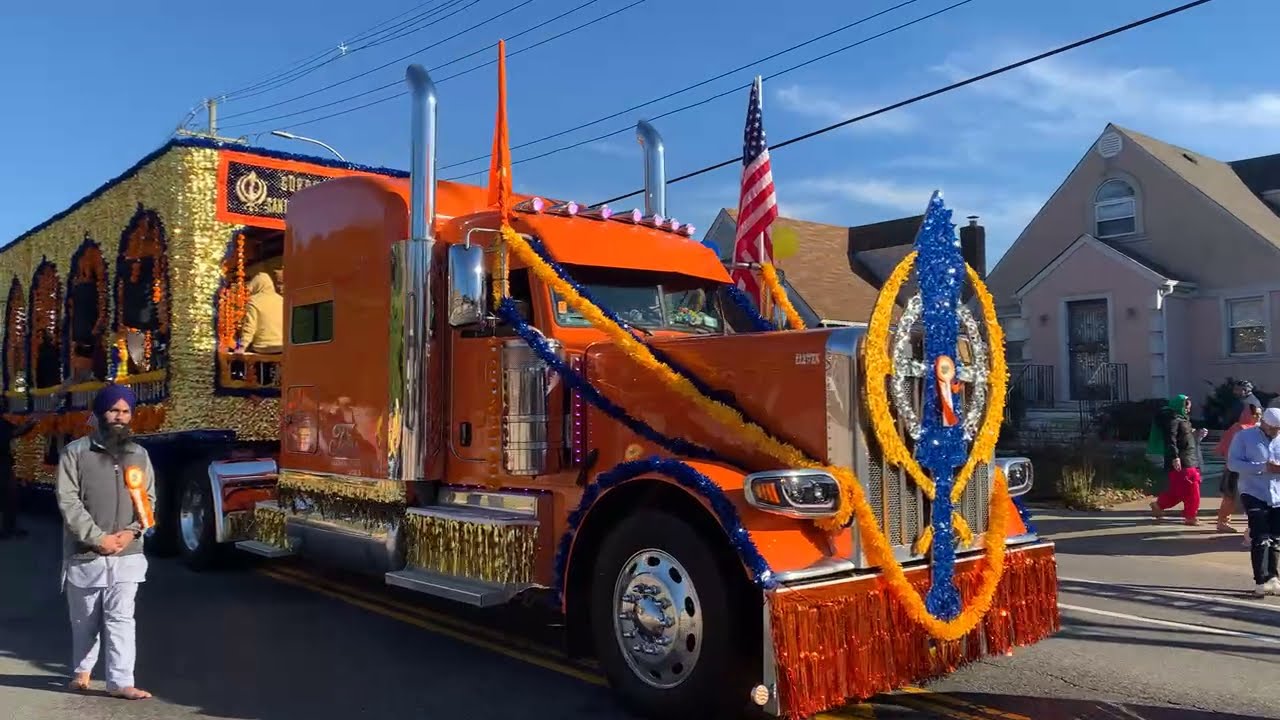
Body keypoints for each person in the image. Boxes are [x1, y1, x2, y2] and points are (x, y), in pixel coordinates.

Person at [55, 384, 155, 699]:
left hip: (128, 553)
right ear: (100, 413)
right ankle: (81, 671)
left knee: (122, 617)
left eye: (125, 412)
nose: (119, 417)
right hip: (86, 555)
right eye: (114, 410)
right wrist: (97, 538)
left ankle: (121, 682)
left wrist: (130, 533)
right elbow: (68, 501)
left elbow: (148, 500)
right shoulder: (75, 452)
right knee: (84, 620)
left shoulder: (139, 454)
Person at [1225, 407, 1280, 597]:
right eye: (1273, 428)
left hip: (1277, 494)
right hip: (1253, 492)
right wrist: (1263, 467)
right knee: (1260, 536)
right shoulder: (1244, 437)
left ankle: (1273, 577)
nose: (1276, 432)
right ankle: (1260, 581)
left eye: (1279, 429)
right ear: (1263, 423)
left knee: (1275, 538)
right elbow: (1233, 463)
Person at [1148, 394, 1209, 525]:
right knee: (1192, 488)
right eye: (1186, 407)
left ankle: (1158, 506)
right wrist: (1175, 457)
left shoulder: (1182, 419)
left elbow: (1184, 436)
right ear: (1179, 405)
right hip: (1182, 460)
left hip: (1188, 458)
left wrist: (1197, 434)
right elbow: (1171, 439)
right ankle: (1190, 516)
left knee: (1178, 491)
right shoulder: (1173, 419)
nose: (1188, 410)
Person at [1216, 404, 1261, 534]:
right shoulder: (1239, 429)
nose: (1258, 417)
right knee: (1230, 496)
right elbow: (1227, 448)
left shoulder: (1256, 430)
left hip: (1249, 470)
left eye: (1259, 414)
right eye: (1255, 414)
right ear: (1248, 414)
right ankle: (1222, 522)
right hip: (1235, 469)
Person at [0, 397, 37, 540]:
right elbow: (16, 432)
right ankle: (8, 529)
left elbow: (16, 431)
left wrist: (29, 424)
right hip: (2, 464)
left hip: (4, 463)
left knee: (10, 496)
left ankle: (9, 528)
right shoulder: (2, 424)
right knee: (9, 495)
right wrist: (30, 424)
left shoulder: (3, 422)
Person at [237, 271, 283, 354]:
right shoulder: (281, 300)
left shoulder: (254, 301)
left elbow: (250, 325)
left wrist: (242, 346)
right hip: (282, 346)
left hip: (262, 347)